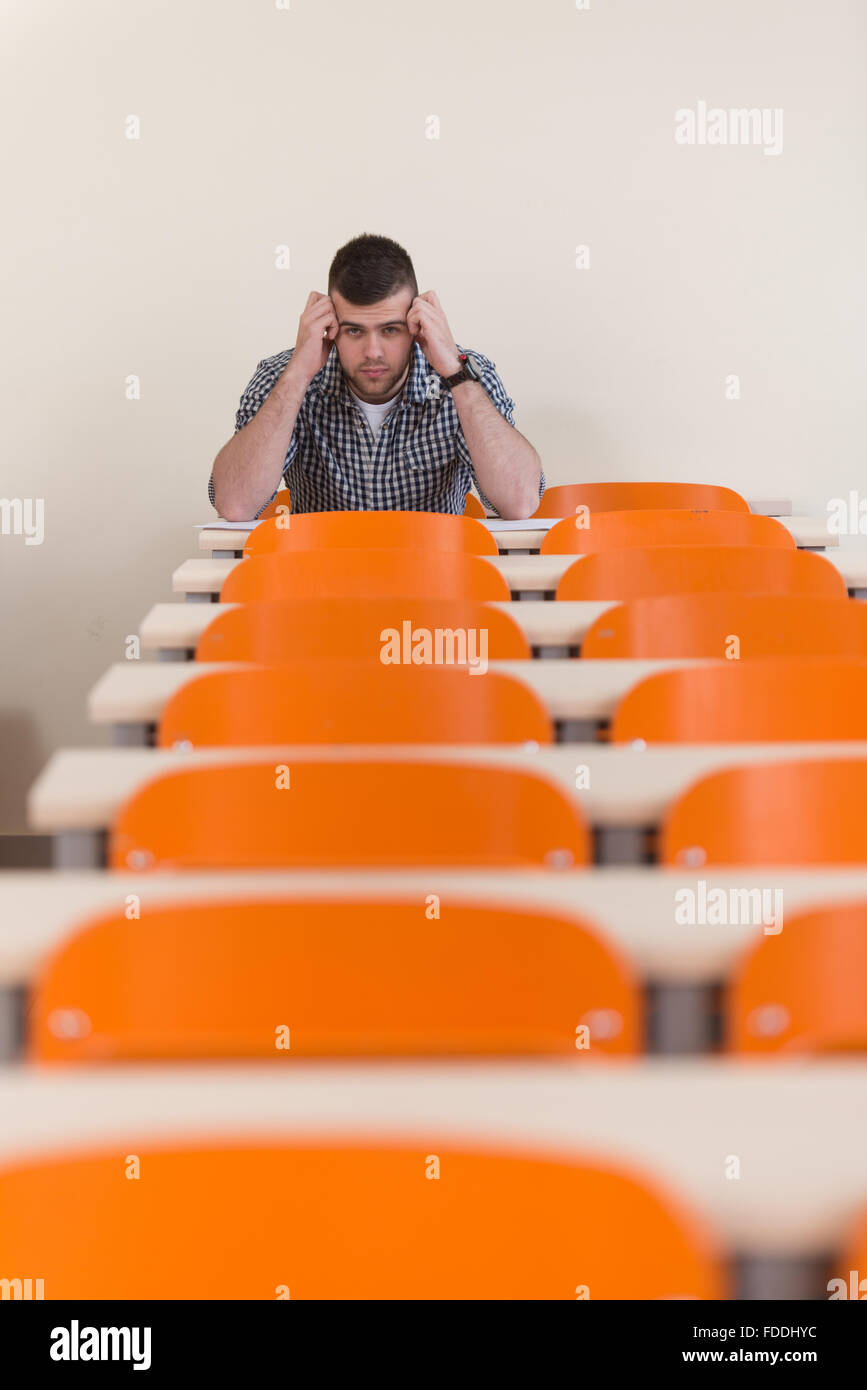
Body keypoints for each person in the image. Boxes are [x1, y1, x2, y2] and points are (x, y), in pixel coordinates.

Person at [208, 233, 545, 519]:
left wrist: (455, 375)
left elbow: (521, 502)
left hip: (435, 584)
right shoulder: (282, 377)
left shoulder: (467, 377)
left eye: (390, 330)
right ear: (329, 325)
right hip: (319, 586)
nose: (373, 351)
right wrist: (297, 374)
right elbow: (235, 505)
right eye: (354, 330)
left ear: (417, 324)